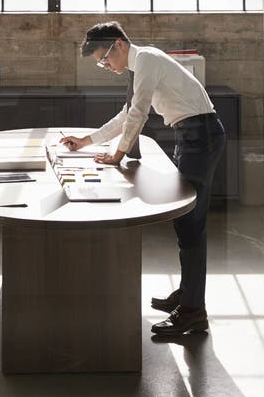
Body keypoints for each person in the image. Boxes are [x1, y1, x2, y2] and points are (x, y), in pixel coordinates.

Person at [60, 21, 225, 337]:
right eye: (100, 62)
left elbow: (138, 114)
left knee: (191, 221)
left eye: (105, 58)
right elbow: (126, 115)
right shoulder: (141, 66)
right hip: (189, 134)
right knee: (185, 220)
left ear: (119, 44)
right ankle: (188, 294)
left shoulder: (146, 59)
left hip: (199, 134)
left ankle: (193, 310)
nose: (105, 66)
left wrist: (117, 155)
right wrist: (86, 142)